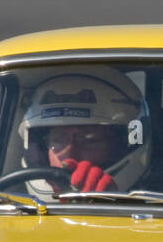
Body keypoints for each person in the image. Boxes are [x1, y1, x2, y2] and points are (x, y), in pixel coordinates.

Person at [17, 66, 150, 197]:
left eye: (89, 139)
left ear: (122, 147)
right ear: (41, 150)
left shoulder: (161, 207)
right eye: (58, 139)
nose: (70, 157)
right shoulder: (7, 205)